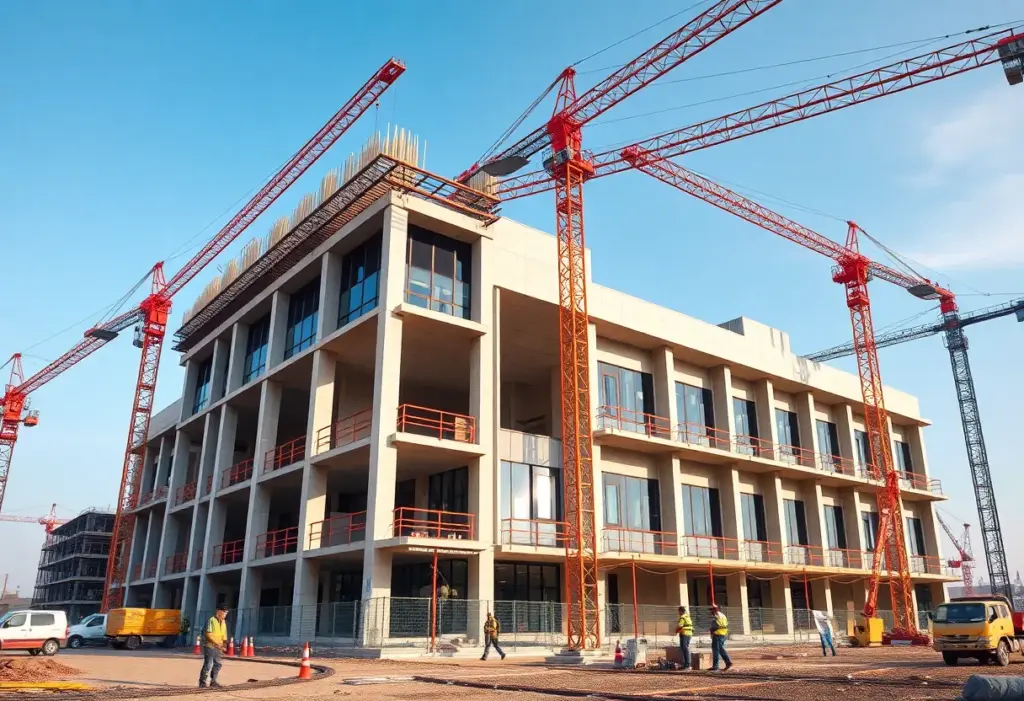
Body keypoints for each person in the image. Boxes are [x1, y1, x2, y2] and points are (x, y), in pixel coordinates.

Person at [199, 607, 228, 688]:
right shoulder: (212, 620)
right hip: (210, 646)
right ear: (219, 611)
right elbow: (208, 634)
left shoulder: (223, 622)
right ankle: (202, 683)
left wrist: (224, 644)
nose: (225, 614)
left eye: (226, 613)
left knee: (218, 664)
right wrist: (216, 643)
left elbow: (224, 634)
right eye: (224, 612)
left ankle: (213, 681)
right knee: (208, 664)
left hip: (219, 647)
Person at [709, 604, 732, 671]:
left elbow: (718, 624)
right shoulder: (720, 615)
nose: (711, 612)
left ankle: (715, 667)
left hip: (719, 634)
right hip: (720, 634)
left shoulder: (719, 615)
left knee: (716, 650)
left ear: (716, 610)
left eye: (712, 610)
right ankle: (728, 662)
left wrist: (715, 607)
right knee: (720, 649)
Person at [675, 606, 693, 670]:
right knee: (686, 648)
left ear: (681, 611)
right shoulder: (687, 616)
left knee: (685, 649)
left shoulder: (682, 617)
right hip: (689, 634)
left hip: (684, 633)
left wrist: (676, 631)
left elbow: (680, 626)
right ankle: (687, 664)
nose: (678, 612)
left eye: (679, 611)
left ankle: (687, 665)